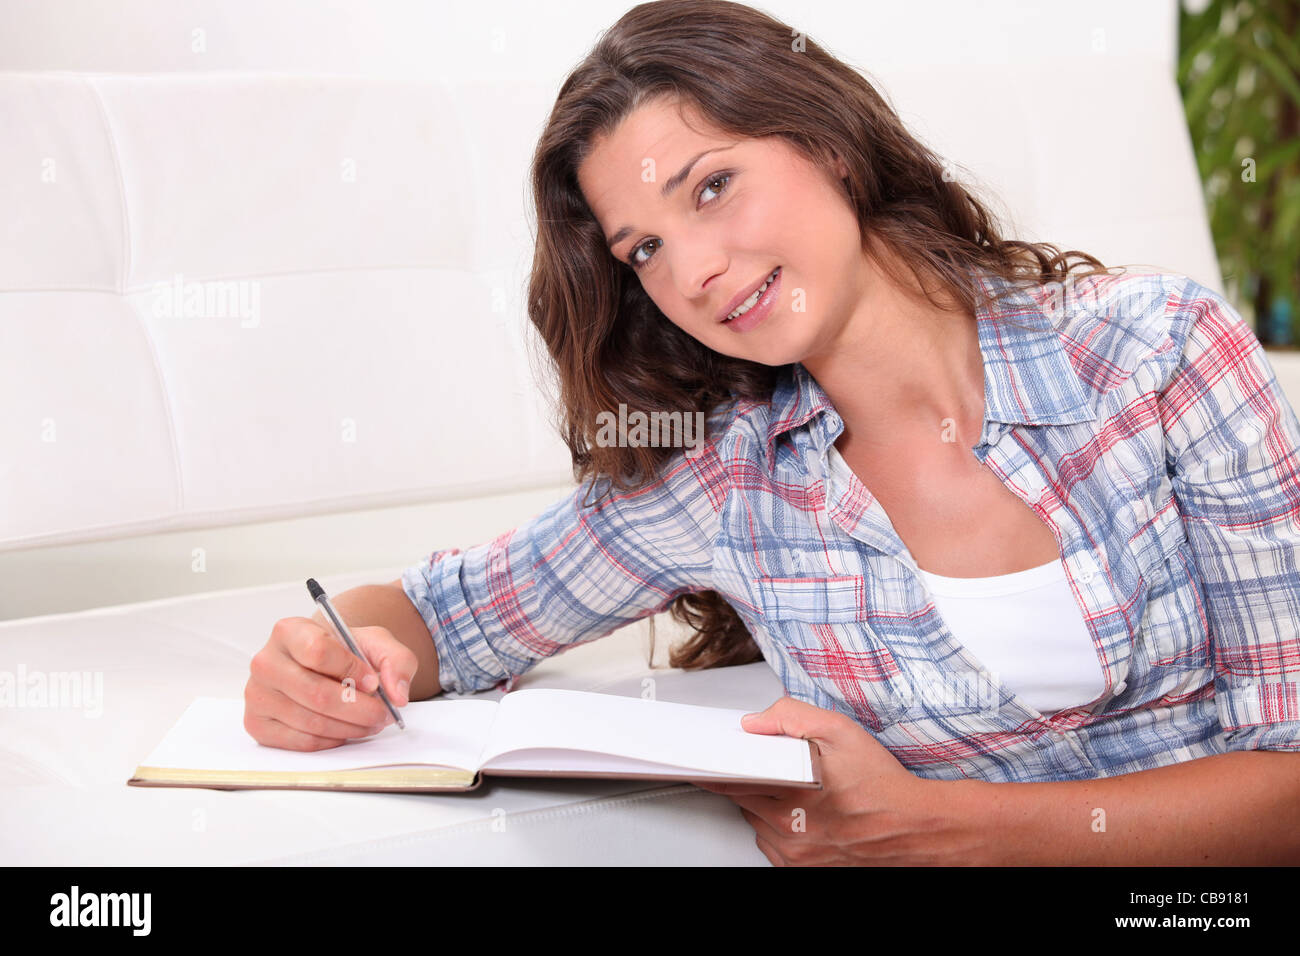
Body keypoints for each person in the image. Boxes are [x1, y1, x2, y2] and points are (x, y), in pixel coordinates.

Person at [243, 0, 1300, 864]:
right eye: (643, 248)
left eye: (713, 186)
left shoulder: (1154, 352)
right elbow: (443, 617)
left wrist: (953, 829)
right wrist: (334, 659)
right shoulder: (721, 475)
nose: (692, 270)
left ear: (828, 145)